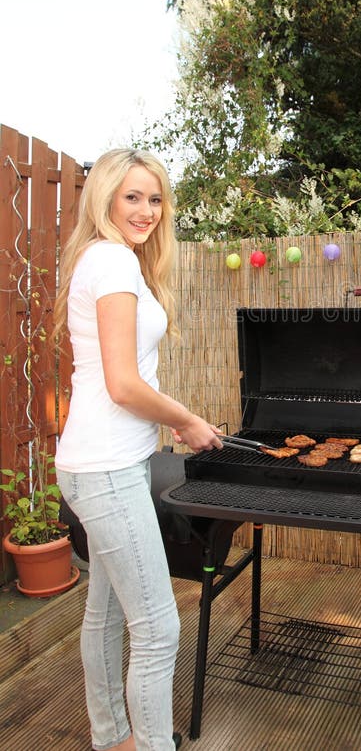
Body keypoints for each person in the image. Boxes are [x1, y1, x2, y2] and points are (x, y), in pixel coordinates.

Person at [53, 148, 223, 751]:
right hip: (107, 472)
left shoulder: (103, 260)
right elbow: (125, 385)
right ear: (104, 198)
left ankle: (113, 739)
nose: (147, 210)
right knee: (157, 629)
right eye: (132, 197)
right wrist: (189, 421)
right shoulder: (114, 265)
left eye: (155, 199)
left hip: (90, 464)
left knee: (103, 613)